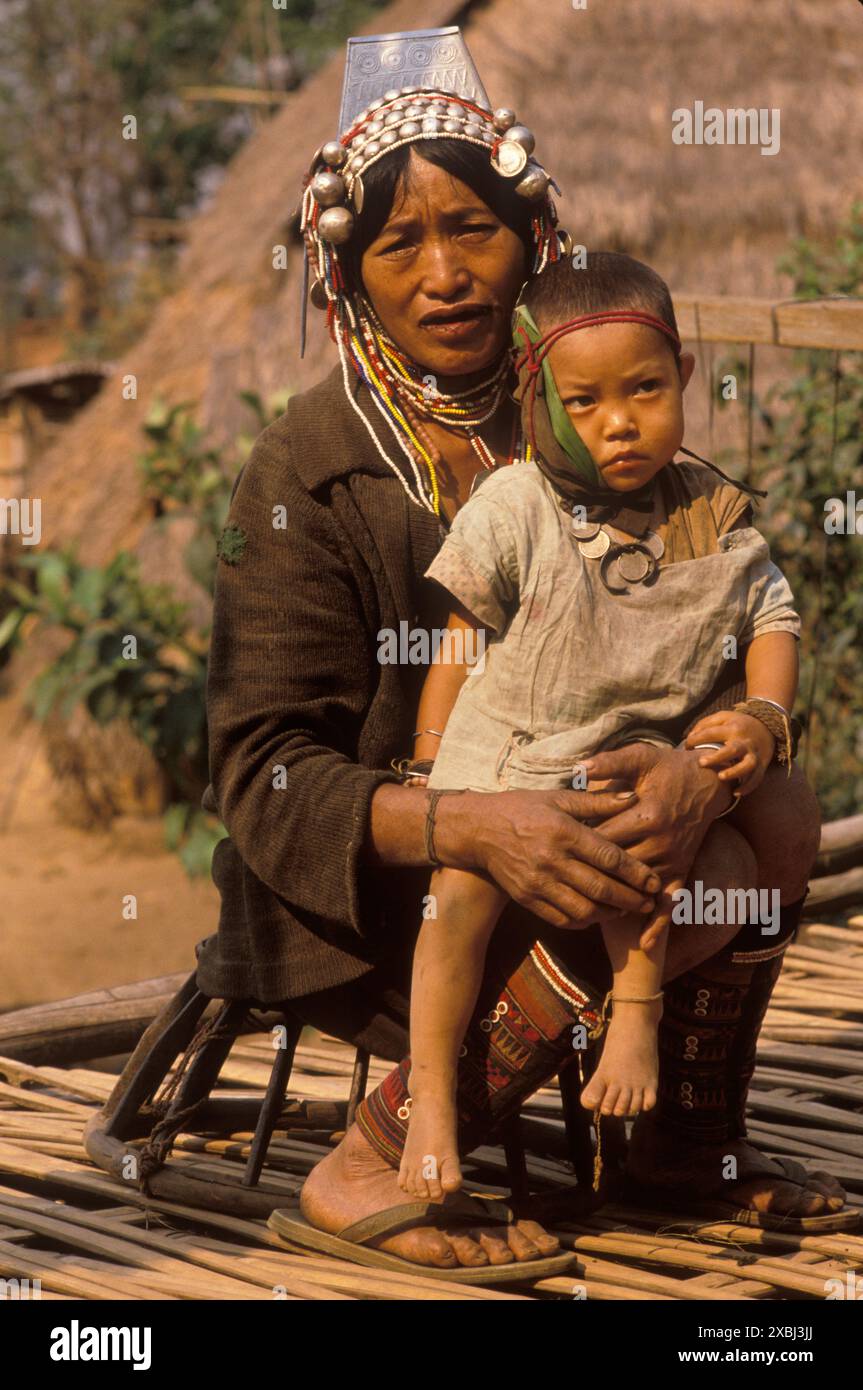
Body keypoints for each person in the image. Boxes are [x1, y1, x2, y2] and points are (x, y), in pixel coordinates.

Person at [197, 28, 847, 1271]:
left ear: (533, 239)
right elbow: (263, 769)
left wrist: (715, 751)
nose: (444, 275)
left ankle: (670, 1144)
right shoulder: (305, 470)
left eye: (474, 232)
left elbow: (720, 624)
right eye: (397, 244)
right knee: (611, 848)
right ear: (349, 274)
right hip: (387, 890)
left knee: (766, 813)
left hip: (596, 824)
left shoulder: (607, 405)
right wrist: (465, 819)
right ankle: (377, 1152)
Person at [398, 251, 806, 1201]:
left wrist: (761, 712)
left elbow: (770, 621)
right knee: (454, 907)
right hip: (504, 767)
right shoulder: (516, 507)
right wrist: (428, 779)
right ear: (533, 399)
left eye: (645, 390)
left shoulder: (712, 516)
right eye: (582, 403)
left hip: (628, 770)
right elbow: (456, 652)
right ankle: (428, 1102)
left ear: (684, 381)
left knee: (658, 854)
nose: (618, 422)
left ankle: (637, 1017)